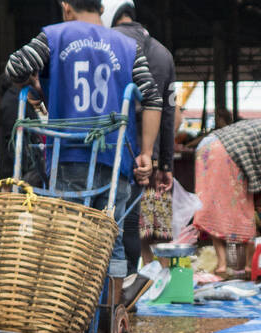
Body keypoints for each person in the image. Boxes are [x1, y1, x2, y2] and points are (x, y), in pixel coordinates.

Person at [5, 0, 162, 308]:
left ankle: (69, 310)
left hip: (70, 156)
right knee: (110, 236)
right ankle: (111, 311)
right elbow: (153, 97)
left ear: (66, 6)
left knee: (69, 237)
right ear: (102, 8)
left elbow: (15, 69)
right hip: (115, 159)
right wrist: (146, 154)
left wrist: (33, 82)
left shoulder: (53, 36)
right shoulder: (128, 45)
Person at [106, 0, 176, 271]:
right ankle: (133, 284)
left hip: (111, 147)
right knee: (138, 224)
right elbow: (167, 113)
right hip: (148, 155)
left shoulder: (106, 43)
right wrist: (165, 163)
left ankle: (107, 292)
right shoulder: (164, 54)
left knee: (109, 222)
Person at [193, 106, 261, 277]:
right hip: (221, 153)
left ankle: (224, 265)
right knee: (241, 211)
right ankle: (246, 267)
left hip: (208, 148)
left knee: (217, 209)